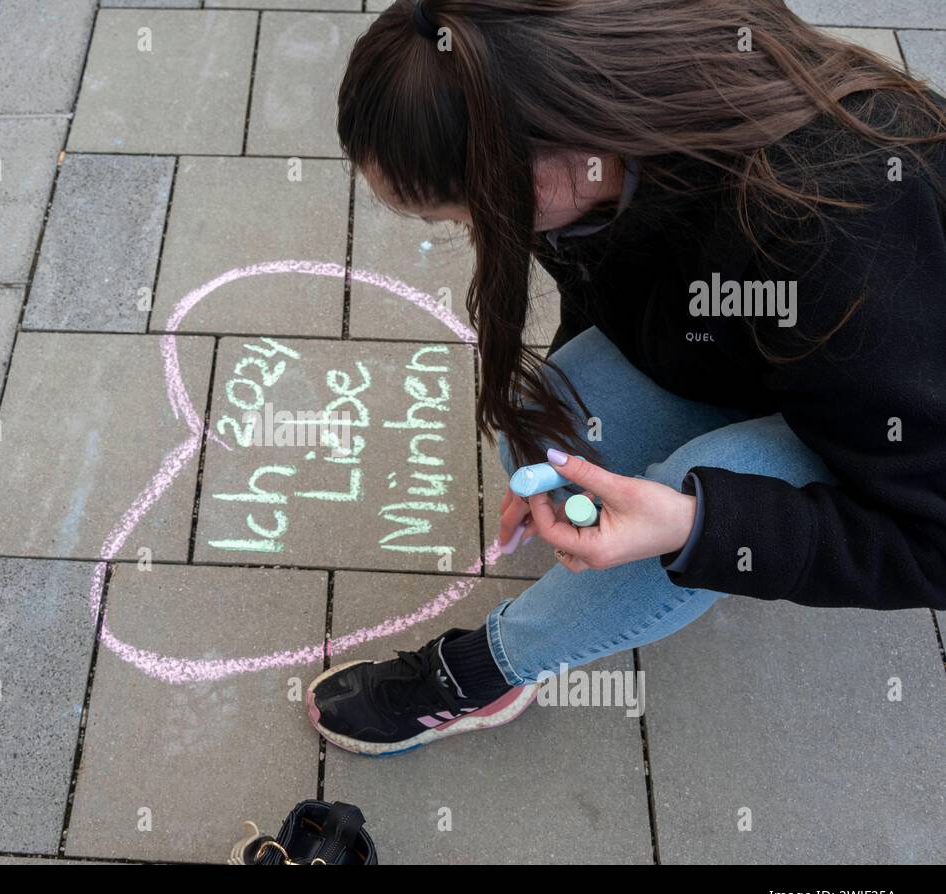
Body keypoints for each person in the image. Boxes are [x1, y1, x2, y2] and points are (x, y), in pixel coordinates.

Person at [306, 0, 946, 756]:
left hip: (905, 416)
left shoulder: (839, 227)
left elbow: (932, 537)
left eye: (468, 211)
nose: (476, 232)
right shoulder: (580, 104)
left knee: (696, 499)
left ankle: (484, 673)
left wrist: (699, 524)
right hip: (785, 349)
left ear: (547, 153)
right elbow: (613, 285)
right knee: (543, 437)